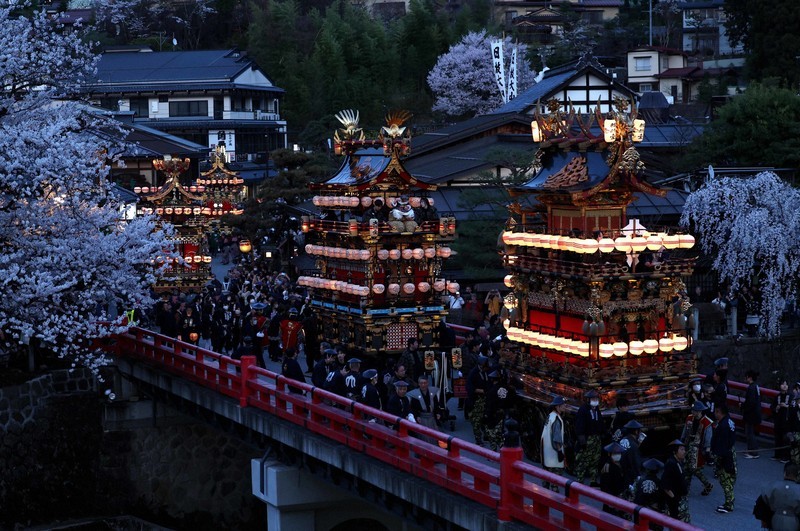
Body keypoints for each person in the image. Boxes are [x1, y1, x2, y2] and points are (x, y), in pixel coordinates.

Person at [753, 462, 800, 531]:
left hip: (775, 521)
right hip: (795, 523)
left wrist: (765, 521)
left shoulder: (773, 486)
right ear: (797, 475)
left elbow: (760, 506)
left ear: (784, 473)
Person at [681, 401, 714, 496]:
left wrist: (707, 449)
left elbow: (708, 438)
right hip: (688, 445)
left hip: (698, 449)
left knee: (694, 469)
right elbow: (685, 431)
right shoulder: (689, 418)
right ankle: (686, 489)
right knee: (688, 468)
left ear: (699, 411)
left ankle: (707, 485)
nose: (693, 412)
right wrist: (682, 442)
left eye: (694, 410)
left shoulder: (707, 422)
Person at [711, 403, 737, 514]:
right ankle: (730, 501)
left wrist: (719, 460)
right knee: (729, 479)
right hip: (731, 452)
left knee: (726, 480)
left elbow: (722, 446)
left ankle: (729, 504)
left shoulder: (723, 426)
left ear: (719, 412)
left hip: (725, 455)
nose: (714, 413)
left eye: (716, 411)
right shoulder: (729, 421)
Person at [574, 390, 604, 485]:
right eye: (593, 399)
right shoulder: (583, 410)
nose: (595, 400)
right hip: (587, 438)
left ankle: (593, 480)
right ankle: (580, 480)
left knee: (595, 459)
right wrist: (582, 441)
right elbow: (579, 426)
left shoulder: (596, 409)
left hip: (596, 438)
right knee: (584, 460)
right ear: (588, 400)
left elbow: (600, 422)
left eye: (596, 398)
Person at [540, 396, 568, 492]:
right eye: (563, 405)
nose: (565, 406)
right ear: (557, 406)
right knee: (555, 481)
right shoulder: (556, 419)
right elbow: (557, 438)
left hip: (546, 452)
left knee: (546, 479)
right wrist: (560, 451)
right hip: (553, 455)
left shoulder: (550, 416)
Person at [662, 439, 690, 522]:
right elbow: (665, 485)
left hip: (680, 500)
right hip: (675, 503)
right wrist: (674, 499)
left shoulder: (678, 462)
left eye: (684, 449)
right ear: (674, 451)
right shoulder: (671, 464)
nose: (684, 452)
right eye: (681, 449)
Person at [465, 354, 491, 446]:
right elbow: (469, 387)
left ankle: (486, 435)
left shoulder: (486, 371)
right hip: (476, 400)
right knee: (476, 420)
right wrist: (479, 390)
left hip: (485, 398)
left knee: (485, 418)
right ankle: (478, 438)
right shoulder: (473, 373)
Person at [599, 442, 626, 517]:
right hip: (611, 497)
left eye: (619, 453)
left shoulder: (618, 464)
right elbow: (605, 485)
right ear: (609, 454)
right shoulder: (608, 467)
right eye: (615, 454)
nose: (618, 455)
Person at [619, 420, 645, 491]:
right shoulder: (634, 445)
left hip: (619, 471)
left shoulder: (622, 440)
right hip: (629, 474)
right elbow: (636, 463)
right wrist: (638, 475)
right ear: (636, 431)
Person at [743, 369, 762, 459]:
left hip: (751, 414)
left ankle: (753, 452)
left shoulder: (751, 388)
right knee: (751, 432)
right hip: (755, 413)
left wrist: (743, 406)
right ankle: (751, 450)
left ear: (749, 377)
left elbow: (750, 403)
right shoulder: (756, 386)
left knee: (749, 433)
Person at [773, 378, 792, 463]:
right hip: (778, 420)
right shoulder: (777, 396)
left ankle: (785, 457)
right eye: (783, 384)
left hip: (787, 421)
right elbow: (772, 407)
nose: (784, 386)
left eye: (786, 384)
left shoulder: (791, 396)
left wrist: (786, 406)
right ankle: (777, 455)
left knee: (785, 438)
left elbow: (794, 408)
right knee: (778, 438)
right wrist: (776, 408)